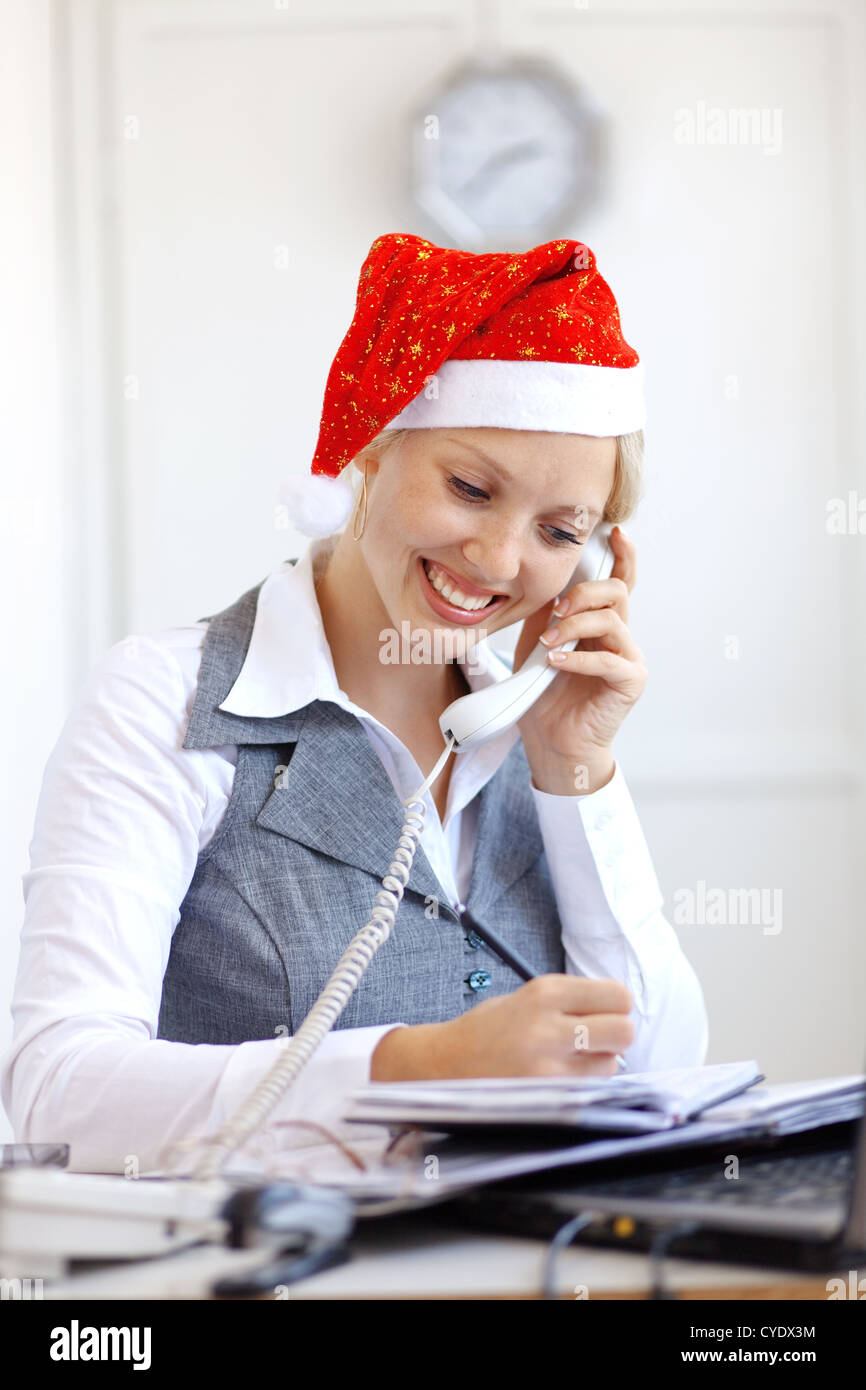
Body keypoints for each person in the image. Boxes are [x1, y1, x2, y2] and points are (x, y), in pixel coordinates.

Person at [1, 233, 708, 1177]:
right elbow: (60, 1095)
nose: (499, 560)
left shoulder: (534, 732)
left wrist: (577, 770)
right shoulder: (164, 700)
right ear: (374, 443)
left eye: (557, 529)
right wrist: (413, 1071)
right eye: (468, 487)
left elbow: (661, 1071)